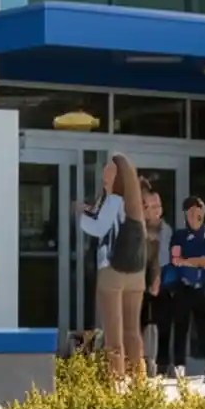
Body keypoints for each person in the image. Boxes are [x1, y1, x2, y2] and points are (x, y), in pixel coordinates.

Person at [79, 153, 148, 381]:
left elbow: (96, 228)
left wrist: (82, 213)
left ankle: (115, 381)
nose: (104, 176)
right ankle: (139, 380)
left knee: (113, 333)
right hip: (136, 274)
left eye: (109, 172)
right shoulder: (133, 204)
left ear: (117, 177)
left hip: (112, 270)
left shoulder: (113, 200)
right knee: (133, 331)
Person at [169, 196, 205, 384]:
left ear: (203, 211)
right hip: (183, 288)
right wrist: (195, 262)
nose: (193, 213)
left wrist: (188, 261)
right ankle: (179, 368)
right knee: (181, 326)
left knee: (204, 328)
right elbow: (175, 259)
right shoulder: (179, 235)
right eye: (189, 210)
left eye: (197, 209)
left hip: (204, 289)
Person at [141, 184, 171, 377]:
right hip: (138, 280)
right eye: (150, 206)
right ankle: (140, 363)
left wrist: (157, 281)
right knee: (140, 322)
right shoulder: (137, 228)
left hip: (161, 280)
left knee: (163, 323)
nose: (155, 211)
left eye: (158, 206)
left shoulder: (165, 229)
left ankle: (162, 364)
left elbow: (163, 258)